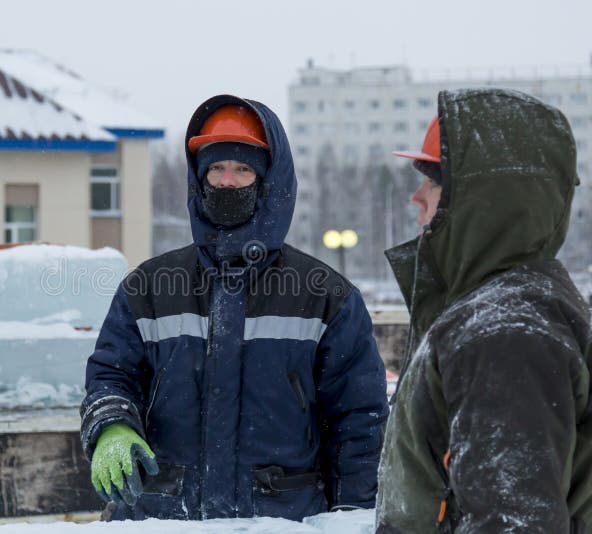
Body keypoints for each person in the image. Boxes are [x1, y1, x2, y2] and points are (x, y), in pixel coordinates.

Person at [80, 94, 389, 521]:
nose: (227, 181)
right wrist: (111, 423)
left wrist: (354, 517)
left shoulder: (325, 296)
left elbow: (359, 424)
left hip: (283, 521)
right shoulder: (147, 287)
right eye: (216, 168)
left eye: (243, 169)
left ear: (268, 182)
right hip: (163, 519)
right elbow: (112, 375)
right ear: (199, 177)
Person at [376, 88, 592, 533]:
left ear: (483, 199)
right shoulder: (506, 311)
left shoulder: (504, 337)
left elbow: (513, 523)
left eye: (433, 181)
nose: (416, 197)